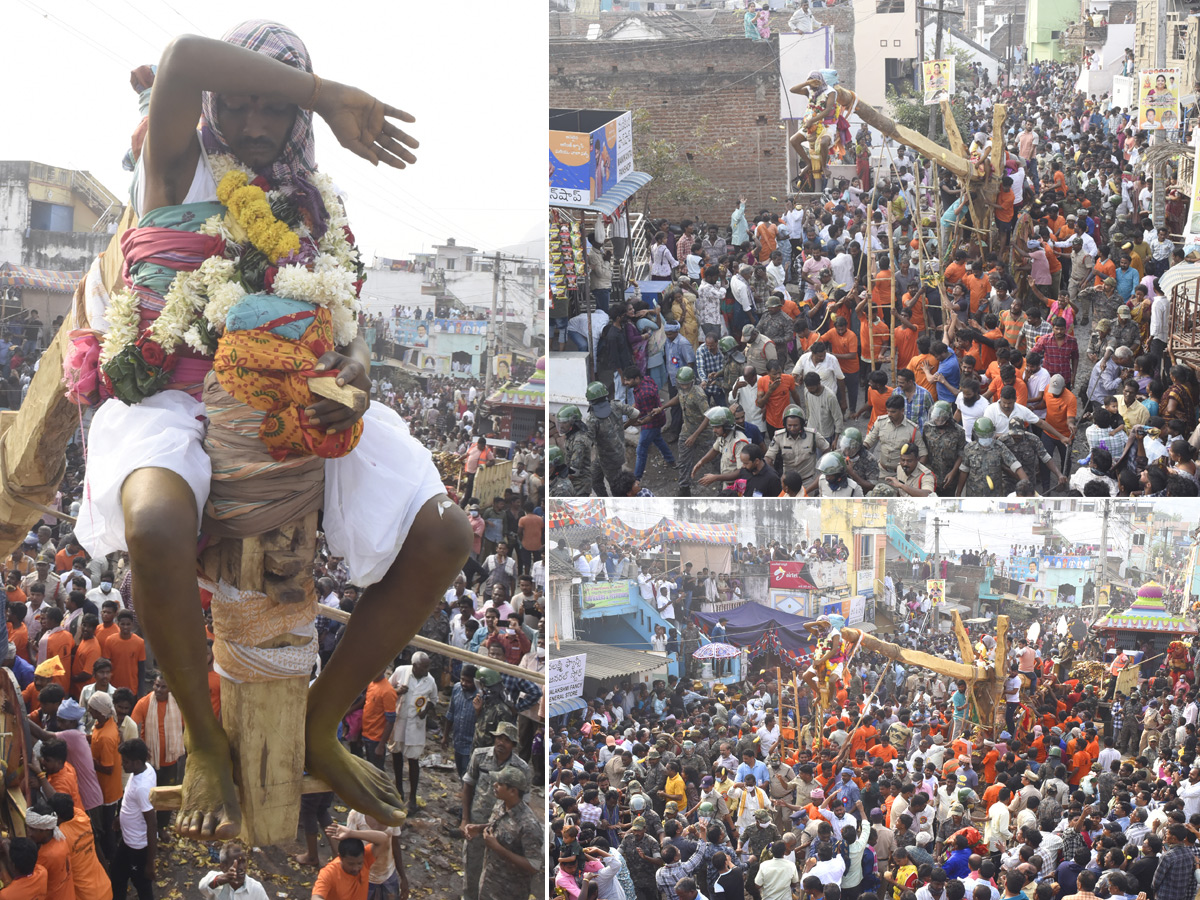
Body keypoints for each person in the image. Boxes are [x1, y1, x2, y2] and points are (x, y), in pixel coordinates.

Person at [68, 21, 472, 839]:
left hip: (299, 402)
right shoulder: (176, 163)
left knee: (447, 535)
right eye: (244, 105)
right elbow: (181, 59)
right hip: (172, 400)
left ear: (296, 131)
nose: (256, 126)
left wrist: (354, 380)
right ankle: (208, 743)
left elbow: (346, 329)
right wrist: (323, 94)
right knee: (152, 524)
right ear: (214, 107)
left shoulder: (317, 205)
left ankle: (322, 724)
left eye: (276, 112)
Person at [468, 766, 541, 900]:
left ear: (513, 791)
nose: (494, 785)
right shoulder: (501, 804)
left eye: (500, 784)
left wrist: (498, 848)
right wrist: (479, 828)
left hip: (509, 891)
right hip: (489, 881)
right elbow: (499, 826)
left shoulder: (528, 825)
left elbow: (534, 865)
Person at [387, 652, 438, 815]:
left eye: (428, 666)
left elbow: (433, 699)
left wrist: (425, 711)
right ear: (415, 666)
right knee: (396, 754)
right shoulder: (401, 671)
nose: (427, 670)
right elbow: (388, 690)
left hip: (416, 724)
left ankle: (413, 797)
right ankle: (398, 790)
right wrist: (398, 691)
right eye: (424, 667)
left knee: (413, 759)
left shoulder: (430, 680)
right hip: (400, 720)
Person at [112, 738, 157, 900]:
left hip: (137, 847)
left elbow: (152, 824)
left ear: (137, 762)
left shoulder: (142, 788)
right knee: (117, 875)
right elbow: (131, 800)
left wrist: (150, 863)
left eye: (126, 762)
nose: (123, 764)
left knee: (142, 885)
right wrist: (120, 817)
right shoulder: (145, 769)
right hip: (128, 840)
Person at [311, 822, 391, 900]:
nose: (356, 868)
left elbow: (383, 838)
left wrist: (351, 833)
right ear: (340, 857)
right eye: (351, 864)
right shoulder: (329, 873)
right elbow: (316, 896)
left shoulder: (366, 858)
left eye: (359, 863)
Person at [198, 841, 269, 899]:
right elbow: (202, 887)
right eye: (236, 863)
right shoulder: (215, 878)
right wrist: (222, 879)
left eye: (243, 862)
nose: (241, 867)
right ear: (223, 867)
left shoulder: (255, 889)